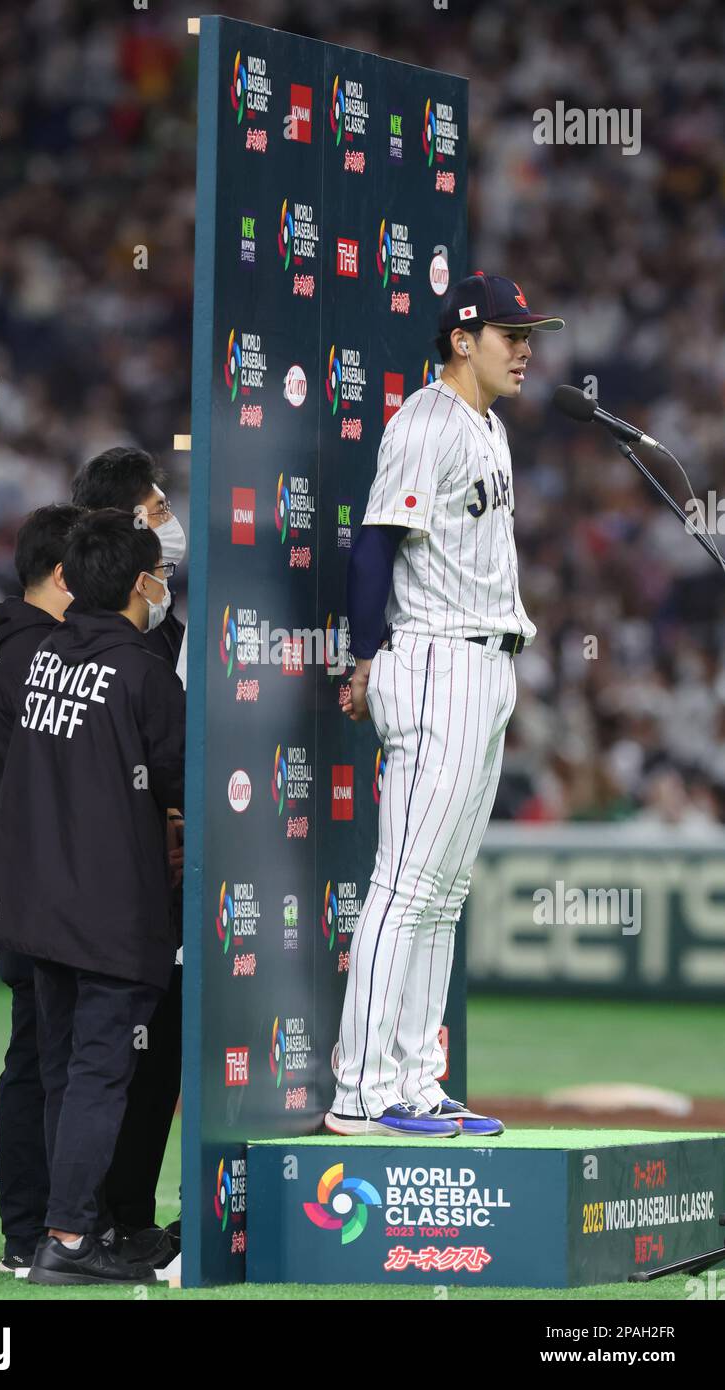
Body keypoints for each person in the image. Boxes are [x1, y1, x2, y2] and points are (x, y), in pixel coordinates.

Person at [327, 273, 565, 1138]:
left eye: (528, 332)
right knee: (404, 886)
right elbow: (373, 547)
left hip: (484, 663)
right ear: (463, 340)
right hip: (435, 660)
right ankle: (361, 1092)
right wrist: (362, 660)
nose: (526, 348)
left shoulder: (487, 425)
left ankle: (417, 1081)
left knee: (442, 892)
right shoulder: (427, 422)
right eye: (510, 334)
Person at [0, 510, 185, 1284]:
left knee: (63, 1067)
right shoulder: (143, 673)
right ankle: (69, 1239)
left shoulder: (38, 658)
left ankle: (58, 1233)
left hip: (36, 905)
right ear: (139, 583)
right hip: (107, 908)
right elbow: (179, 784)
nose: (165, 586)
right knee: (98, 1070)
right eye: (159, 573)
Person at [71, 446, 186, 1255]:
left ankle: (124, 1221)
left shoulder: (167, 625)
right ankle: (76, 1229)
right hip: (109, 886)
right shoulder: (78, 643)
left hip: (151, 884)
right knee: (94, 1063)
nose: (169, 519)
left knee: (153, 1057)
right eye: (156, 506)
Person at [0, 503, 82, 1276]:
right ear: (61, 571)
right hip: (41, 889)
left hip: (18, 886)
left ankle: (32, 1231)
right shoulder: (37, 656)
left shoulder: (13, 647)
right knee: (47, 1059)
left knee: (37, 1054)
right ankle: (38, 1231)